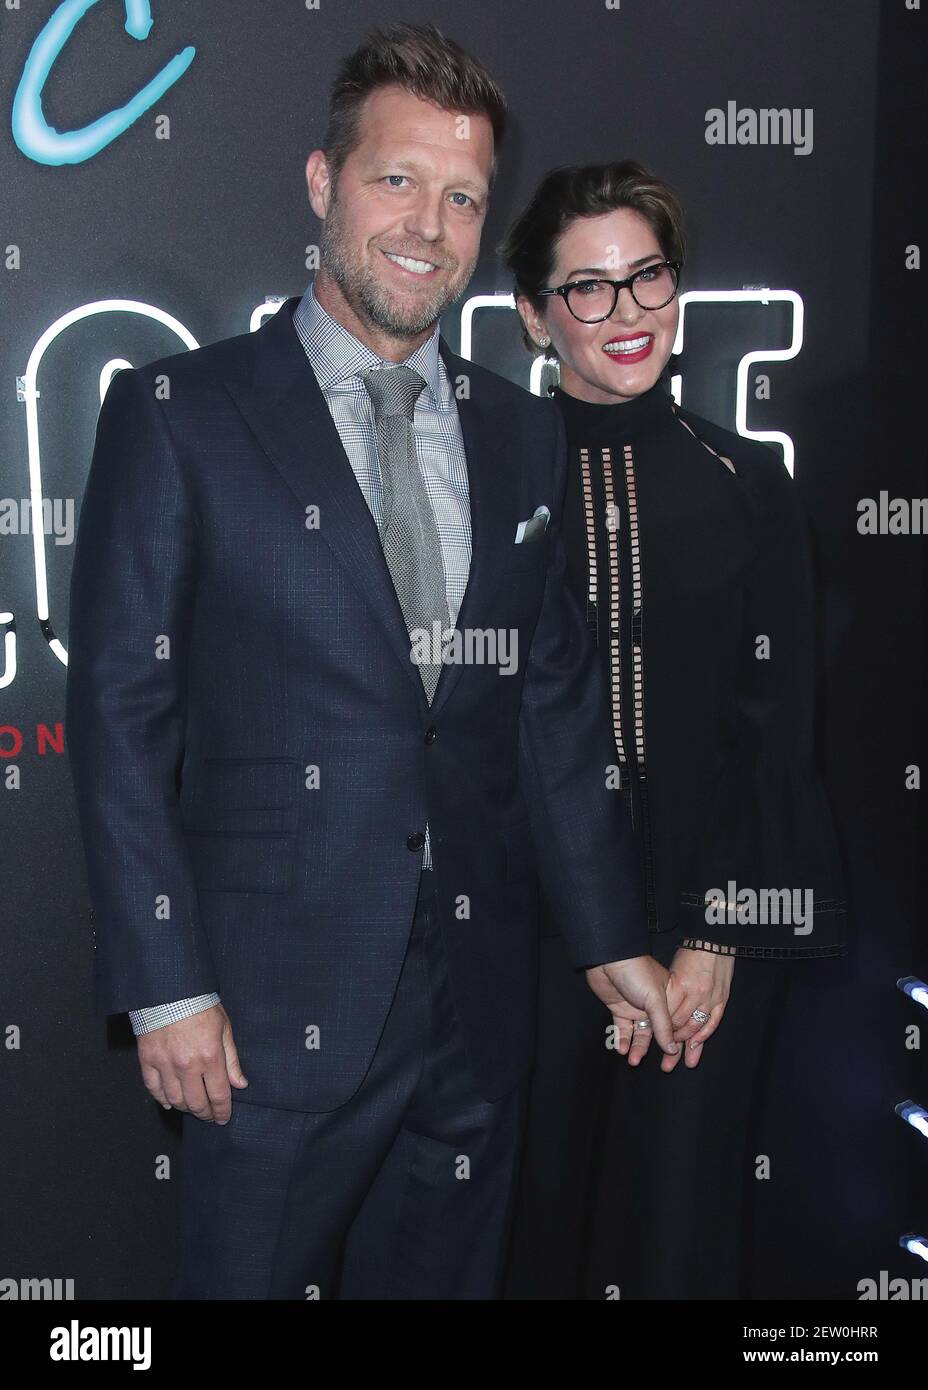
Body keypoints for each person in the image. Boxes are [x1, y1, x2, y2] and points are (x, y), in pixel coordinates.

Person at [65, 32, 678, 1301]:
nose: (431, 225)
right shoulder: (182, 412)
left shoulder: (521, 433)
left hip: (475, 1010)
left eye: (461, 196)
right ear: (320, 183)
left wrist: (609, 933)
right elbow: (121, 710)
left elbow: (548, 704)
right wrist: (164, 981)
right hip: (262, 1014)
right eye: (397, 181)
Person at [499, 161, 847, 1299]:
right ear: (534, 317)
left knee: (679, 1239)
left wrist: (717, 929)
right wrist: (585, 931)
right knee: (524, 1232)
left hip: (709, 931)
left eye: (647, 276)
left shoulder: (746, 480)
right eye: (588, 288)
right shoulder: (487, 484)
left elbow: (777, 732)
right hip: (535, 933)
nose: (628, 312)